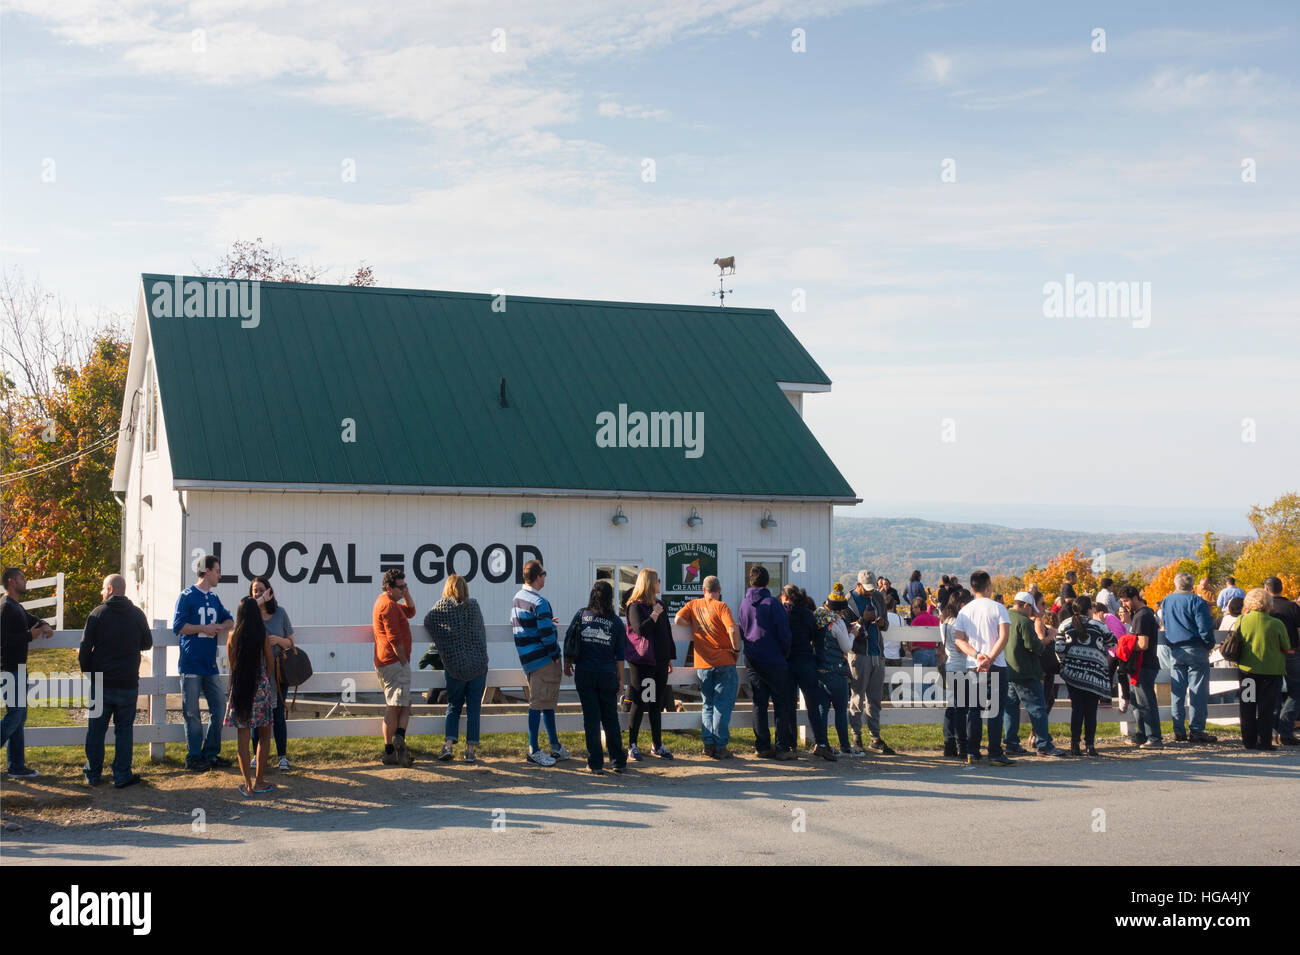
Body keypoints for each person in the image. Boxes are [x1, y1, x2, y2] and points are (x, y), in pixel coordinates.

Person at [79, 574, 152, 788]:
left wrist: (90, 673)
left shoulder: (97, 614)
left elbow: (84, 651)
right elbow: (147, 643)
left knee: (96, 731)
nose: (101, 592)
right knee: (124, 731)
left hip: (102, 682)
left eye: (103, 588)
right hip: (128, 682)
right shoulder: (137, 614)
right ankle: (121, 774)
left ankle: (93, 774)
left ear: (110, 589)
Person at [173, 556, 235, 771]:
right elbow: (178, 627)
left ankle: (211, 754)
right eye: (217, 571)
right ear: (207, 571)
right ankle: (194, 756)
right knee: (191, 712)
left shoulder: (215, 599)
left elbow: (230, 621)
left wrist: (219, 625)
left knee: (219, 708)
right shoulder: (187, 596)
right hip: (191, 662)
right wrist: (203, 628)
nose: (219, 575)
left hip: (210, 664)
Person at [564, 580, 628, 774]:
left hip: (585, 673)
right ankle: (617, 760)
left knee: (591, 719)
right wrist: (620, 679)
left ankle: (595, 763)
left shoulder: (582, 615)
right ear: (610, 597)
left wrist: (567, 663)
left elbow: (569, 639)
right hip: (607, 673)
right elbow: (619, 656)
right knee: (610, 719)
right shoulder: (616, 622)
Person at [424, 573, 489, 763]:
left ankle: (448, 746)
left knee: (454, 706)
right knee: (474, 708)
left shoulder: (442, 607)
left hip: (455, 665)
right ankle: (470, 750)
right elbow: (480, 633)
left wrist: (444, 642)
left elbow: (428, 622)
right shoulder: (474, 606)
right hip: (478, 664)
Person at [953, 571, 1014, 767]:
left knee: (974, 710)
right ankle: (995, 752)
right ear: (988, 587)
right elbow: (1004, 637)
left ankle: (972, 751)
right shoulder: (999, 608)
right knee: (995, 710)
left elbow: (959, 640)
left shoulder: (964, 611)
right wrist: (991, 657)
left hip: (973, 666)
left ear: (972, 588)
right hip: (995, 665)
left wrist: (976, 654)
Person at [675, 576, 740, 759]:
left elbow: (678, 619)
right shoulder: (721, 607)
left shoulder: (694, 605)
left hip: (703, 663)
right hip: (723, 661)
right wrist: (736, 650)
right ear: (719, 590)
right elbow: (733, 629)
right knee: (722, 705)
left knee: (707, 705)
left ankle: (708, 744)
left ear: (704, 590)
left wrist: (694, 626)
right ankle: (720, 746)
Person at [512, 560, 567, 766]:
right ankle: (534, 749)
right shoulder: (540, 602)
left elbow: (525, 626)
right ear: (538, 577)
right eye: (544, 573)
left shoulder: (518, 598)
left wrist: (545, 624)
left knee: (546, 702)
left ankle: (555, 745)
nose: (545, 577)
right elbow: (546, 636)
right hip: (543, 659)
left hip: (528, 658)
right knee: (539, 704)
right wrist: (555, 654)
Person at [739, 565, 796, 759]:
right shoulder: (773, 603)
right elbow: (784, 633)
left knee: (759, 702)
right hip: (774, 658)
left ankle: (762, 746)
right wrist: (784, 654)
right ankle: (782, 747)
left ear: (750, 582)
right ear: (767, 582)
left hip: (752, 657)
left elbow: (742, 630)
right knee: (781, 703)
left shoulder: (744, 604)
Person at [2, 567, 54, 779]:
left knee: (19, 717)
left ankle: (16, 766)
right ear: (12, 581)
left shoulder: (16, 606)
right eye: (23, 578)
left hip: (18, 669)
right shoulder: (6, 607)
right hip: (9, 669)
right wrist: (29, 636)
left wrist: (44, 624)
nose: (27, 581)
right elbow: (3, 640)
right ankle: (16, 765)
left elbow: (33, 618)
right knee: (15, 715)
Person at [1003, 592, 1067, 757]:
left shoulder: (1005, 616)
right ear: (1026, 605)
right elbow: (1035, 646)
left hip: (1009, 670)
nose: (1031, 614)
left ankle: (1011, 743)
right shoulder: (1023, 621)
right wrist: (1049, 638)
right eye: (1030, 609)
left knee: (1010, 709)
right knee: (1038, 708)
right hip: (1026, 671)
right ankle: (1044, 745)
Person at [224, 596, 276, 796]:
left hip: (240, 687)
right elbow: (270, 661)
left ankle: (247, 784)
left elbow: (232, 663)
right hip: (259, 686)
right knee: (264, 736)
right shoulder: (261, 633)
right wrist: (264, 679)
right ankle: (260, 780)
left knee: (242, 738)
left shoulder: (232, 635)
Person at [1055, 596, 1116, 756]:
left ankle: (1074, 745)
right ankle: (1090, 745)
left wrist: (1066, 663)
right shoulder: (1099, 626)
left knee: (1077, 709)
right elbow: (1113, 643)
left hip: (1072, 674)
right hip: (1094, 673)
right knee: (1090, 710)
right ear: (1090, 609)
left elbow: (1059, 648)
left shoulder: (1065, 625)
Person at [625, 568, 676, 760]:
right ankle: (632, 745)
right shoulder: (635, 607)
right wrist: (654, 613)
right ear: (649, 583)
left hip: (660, 662)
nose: (659, 583)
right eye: (657, 580)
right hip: (644, 662)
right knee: (639, 702)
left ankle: (657, 744)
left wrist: (670, 656)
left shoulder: (660, 604)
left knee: (656, 703)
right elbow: (641, 630)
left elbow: (666, 633)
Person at [1162, 571, 1218, 743]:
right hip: (1195, 648)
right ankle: (1196, 730)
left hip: (1176, 650)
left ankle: (1179, 730)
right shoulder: (1196, 601)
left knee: (1177, 692)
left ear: (1176, 584)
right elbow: (1205, 627)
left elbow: (1164, 622)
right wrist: (1208, 644)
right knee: (1198, 692)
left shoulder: (1167, 601)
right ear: (1192, 585)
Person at [782, 585, 834, 760]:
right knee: (813, 704)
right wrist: (819, 659)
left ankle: (791, 745)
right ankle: (822, 743)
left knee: (789, 705)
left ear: (787, 598)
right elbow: (817, 636)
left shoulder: (783, 614)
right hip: (807, 662)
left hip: (788, 663)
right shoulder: (808, 615)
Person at [845, 573, 895, 756]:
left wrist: (881, 622)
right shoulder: (848, 601)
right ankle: (856, 736)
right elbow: (846, 629)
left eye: (872, 589)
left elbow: (886, 625)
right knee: (857, 697)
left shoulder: (877, 598)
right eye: (867, 589)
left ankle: (875, 737)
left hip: (876, 653)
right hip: (859, 654)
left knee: (875, 699)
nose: (870, 593)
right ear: (858, 584)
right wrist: (862, 619)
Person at [250, 577, 295, 771]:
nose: (258, 594)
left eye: (261, 590)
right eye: (255, 591)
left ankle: (282, 756)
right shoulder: (250, 615)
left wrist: (278, 640)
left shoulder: (280, 613)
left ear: (270, 591)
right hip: (256, 671)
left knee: (277, 714)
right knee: (256, 715)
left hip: (277, 672)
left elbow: (291, 641)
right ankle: (256, 756)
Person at [374, 568, 416, 767]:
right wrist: (403, 660)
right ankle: (395, 743)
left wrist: (406, 593)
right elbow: (393, 638)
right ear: (389, 588)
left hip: (388, 661)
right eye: (400, 587)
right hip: (394, 662)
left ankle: (392, 748)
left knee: (400, 703)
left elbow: (411, 611)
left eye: (405, 586)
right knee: (397, 704)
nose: (403, 590)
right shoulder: (388, 606)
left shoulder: (390, 602)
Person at [1237, 588, 1288, 751]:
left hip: (1247, 672)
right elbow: (1286, 647)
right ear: (1268, 603)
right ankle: (1264, 741)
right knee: (1267, 708)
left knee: (1248, 706)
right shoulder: (1277, 624)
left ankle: (1248, 741)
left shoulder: (1241, 621)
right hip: (1271, 672)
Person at [1120, 586, 1163, 749]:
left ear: (1135, 598)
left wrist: (1126, 644)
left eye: (1126, 601)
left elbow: (1143, 644)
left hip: (1143, 664)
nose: (1124, 605)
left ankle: (1154, 738)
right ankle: (1142, 735)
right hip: (1143, 664)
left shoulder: (1141, 616)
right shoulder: (1145, 614)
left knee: (1145, 702)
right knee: (1137, 703)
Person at [816, 589, 856, 756]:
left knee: (822, 711)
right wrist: (853, 634)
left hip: (818, 670)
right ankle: (845, 745)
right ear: (840, 609)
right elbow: (846, 647)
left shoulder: (817, 616)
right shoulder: (837, 622)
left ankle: (822, 743)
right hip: (836, 670)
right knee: (840, 710)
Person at [938, 591, 971, 760]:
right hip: (960, 666)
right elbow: (960, 647)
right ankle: (962, 745)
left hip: (950, 665)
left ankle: (948, 744)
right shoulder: (957, 622)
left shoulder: (944, 620)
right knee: (961, 709)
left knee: (952, 707)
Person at [1090, 600, 1131, 712]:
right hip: (1120, 650)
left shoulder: (1106, 618)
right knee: (1120, 674)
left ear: (1098, 612)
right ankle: (1124, 698)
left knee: (1108, 674)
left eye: (1093, 614)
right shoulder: (1112, 618)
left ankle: (1107, 699)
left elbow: (1110, 634)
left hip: (1115, 650)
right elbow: (1122, 629)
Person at [907, 596, 940, 667]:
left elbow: (910, 637)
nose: (913, 610)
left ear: (918, 608)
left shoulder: (916, 620)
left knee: (918, 677)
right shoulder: (935, 619)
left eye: (913, 608)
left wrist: (911, 648)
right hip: (933, 652)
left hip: (920, 652)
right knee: (931, 677)